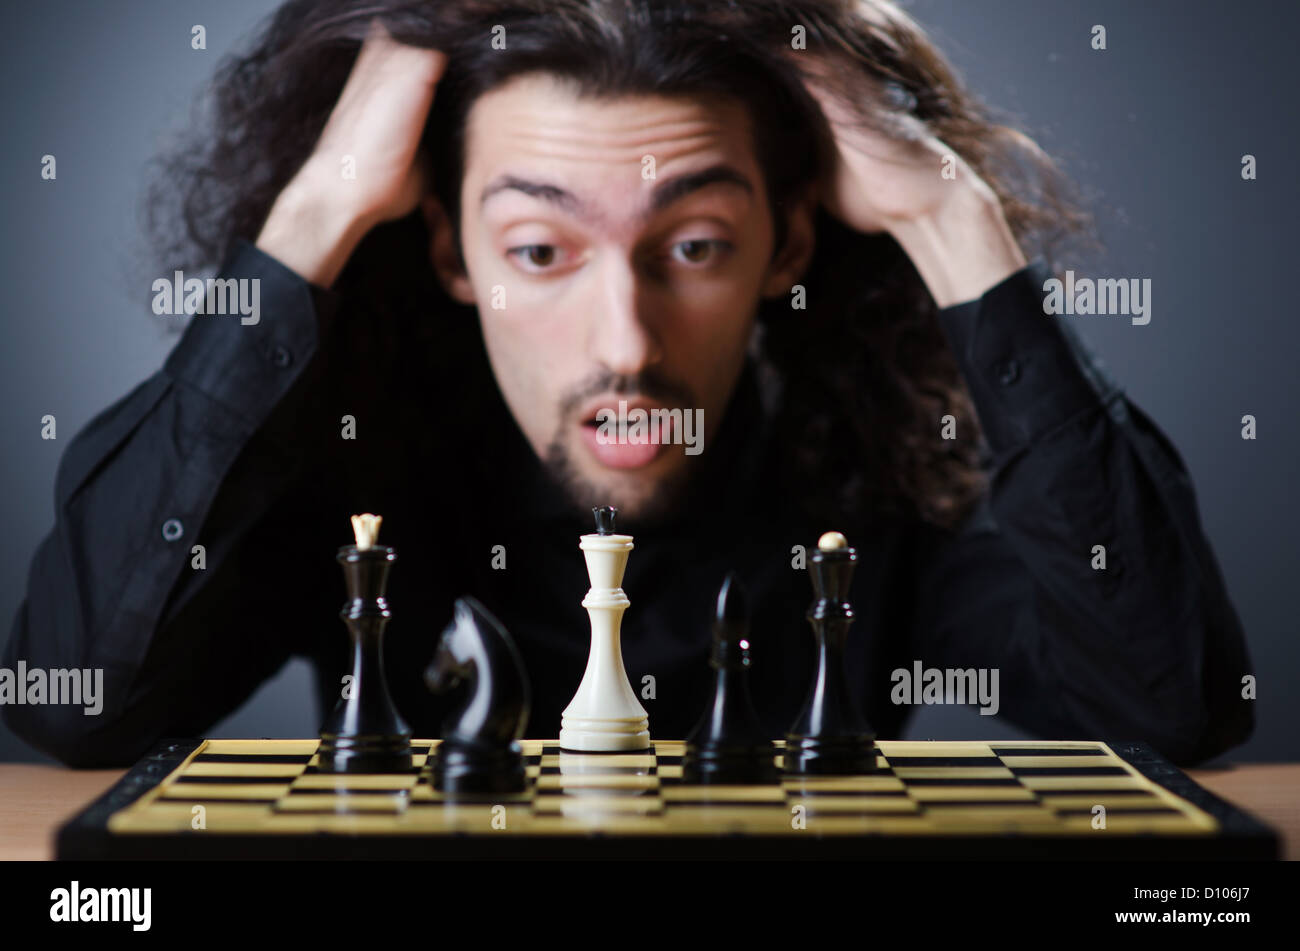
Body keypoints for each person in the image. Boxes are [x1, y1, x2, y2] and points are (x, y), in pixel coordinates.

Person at [4, 0, 1253, 768]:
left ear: (791, 246)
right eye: (539, 251)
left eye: (694, 246)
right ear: (448, 249)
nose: (626, 342)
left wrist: (950, 211)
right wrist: (317, 210)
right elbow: (75, 705)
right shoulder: (349, 471)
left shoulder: (883, 482)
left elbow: (1170, 706)